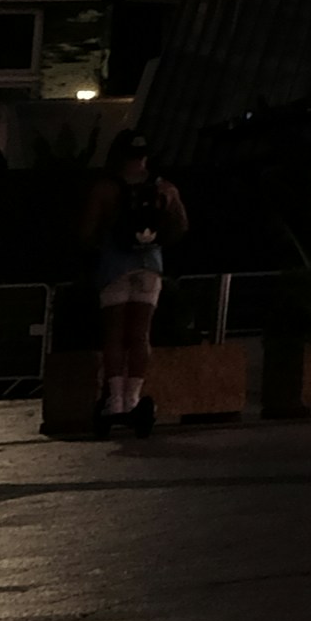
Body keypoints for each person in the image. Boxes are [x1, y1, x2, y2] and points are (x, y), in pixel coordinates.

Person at [75, 132, 189, 439]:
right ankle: (134, 397)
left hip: (114, 266)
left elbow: (86, 232)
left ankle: (114, 399)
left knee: (114, 333)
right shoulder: (165, 188)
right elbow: (181, 226)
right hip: (150, 266)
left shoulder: (105, 188)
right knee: (140, 334)